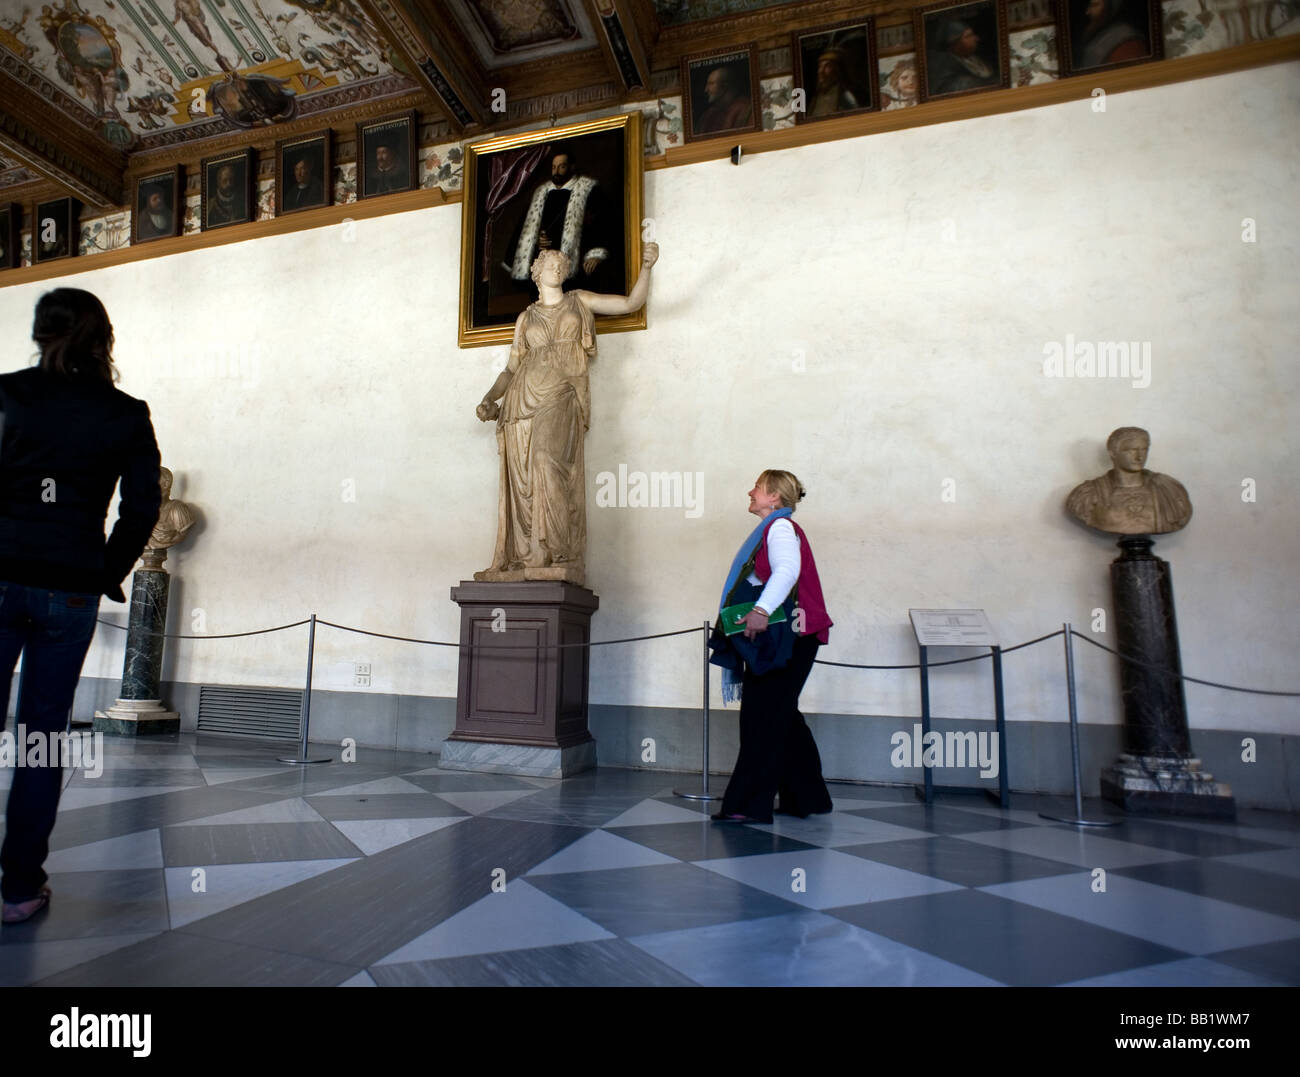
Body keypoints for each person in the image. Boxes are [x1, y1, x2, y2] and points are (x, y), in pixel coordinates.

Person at [0, 289, 161, 924]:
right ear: (103, 338)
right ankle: (18, 890)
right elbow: (142, 508)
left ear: (40, 333)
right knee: (42, 736)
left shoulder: (8, 395)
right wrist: (104, 571)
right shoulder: (124, 412)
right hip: (68, 586)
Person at [474, 242, 659, 583]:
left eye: (562, 265)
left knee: (545, 459)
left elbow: (630, 304)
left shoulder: (578, 300)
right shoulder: (526, 318)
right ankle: (529, 554)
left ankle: (557, 550)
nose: (557, 268)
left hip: (563, 392)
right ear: (537, 272)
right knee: (524, 481)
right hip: (521, 400)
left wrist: (646, 268)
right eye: (551, 264)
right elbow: (510, 369)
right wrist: (489, 398)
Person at [709, 470, 834, 824]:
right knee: (782, 717)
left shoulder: (779, 528)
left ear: (774, 497)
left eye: (758, 488)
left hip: (789, 638)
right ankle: (807, 798)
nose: (750, 492)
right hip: (797, 636)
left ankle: (747, 805)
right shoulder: (775, 529)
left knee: (762, 718)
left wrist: (761, 610)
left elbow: (787, 570)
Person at [504, 150, 611, 291]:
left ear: (571, 167)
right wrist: (536, 240)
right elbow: (526, 230)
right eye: (554, 167)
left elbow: (603, 225)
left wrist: (596, 254)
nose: (556, 172)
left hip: (575, 265)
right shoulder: (541, 193)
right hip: (545, 265)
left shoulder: (588, 190)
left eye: (562, 167)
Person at [1066, 427, 1192, 534]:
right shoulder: (1088, 494)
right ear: (1113, 453)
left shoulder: (1167, 489)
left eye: (1144, 450)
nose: (1139, 457)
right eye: (1131, 450)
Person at [927, 19, 999, 96]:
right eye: (968, 36)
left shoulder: (975, 58)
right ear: (954, 43)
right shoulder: (946, 66)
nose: (976, 38)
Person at [1076, 0, 1147, 70]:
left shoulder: (1128, 43)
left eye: (1095, 5)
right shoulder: (1097, 32)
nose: (1087, 12)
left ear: (1109, 8)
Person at [695, 65, 752, 134]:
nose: (706, 90)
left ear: (725, 85)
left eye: (711, 84)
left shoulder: (746, 109)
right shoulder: (707, 115)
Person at [808, 47, 860, 117]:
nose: (821, 71)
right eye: (820, 66)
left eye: (827, 66)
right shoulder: (816, 98)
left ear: (837, 71)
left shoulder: (845, 96)